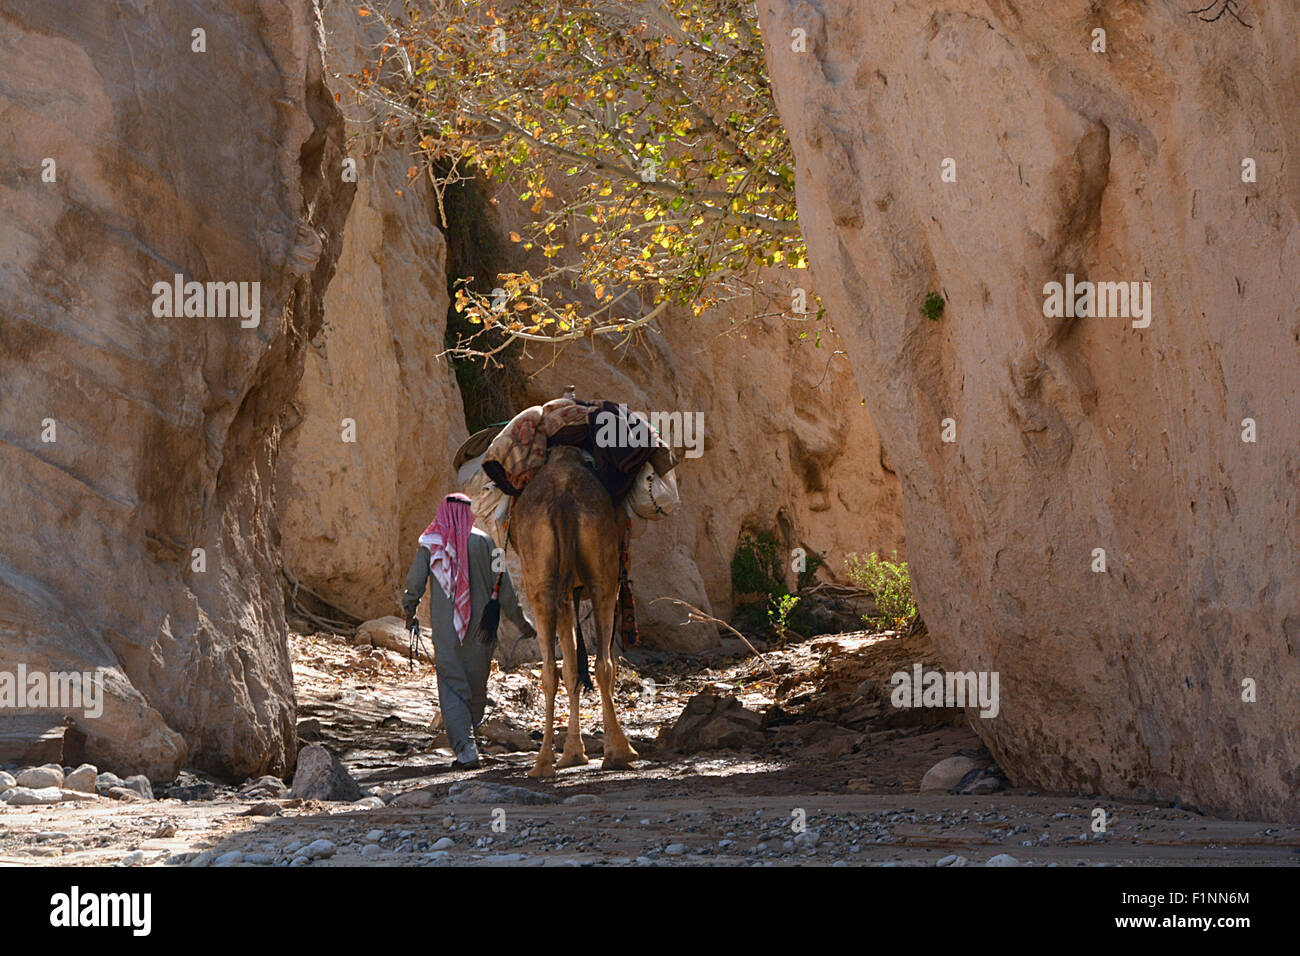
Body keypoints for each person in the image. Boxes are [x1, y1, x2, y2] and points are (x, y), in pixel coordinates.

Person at [401, 493, 535, 769]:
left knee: (453, 685)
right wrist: (521, 622)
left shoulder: (430, 544)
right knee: (476, 685)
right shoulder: (489, 543)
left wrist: (409, 609)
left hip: (447, 631)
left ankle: (465, 748)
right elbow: (505, 585)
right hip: (482, 631)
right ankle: (470, 740)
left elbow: (414, 581)